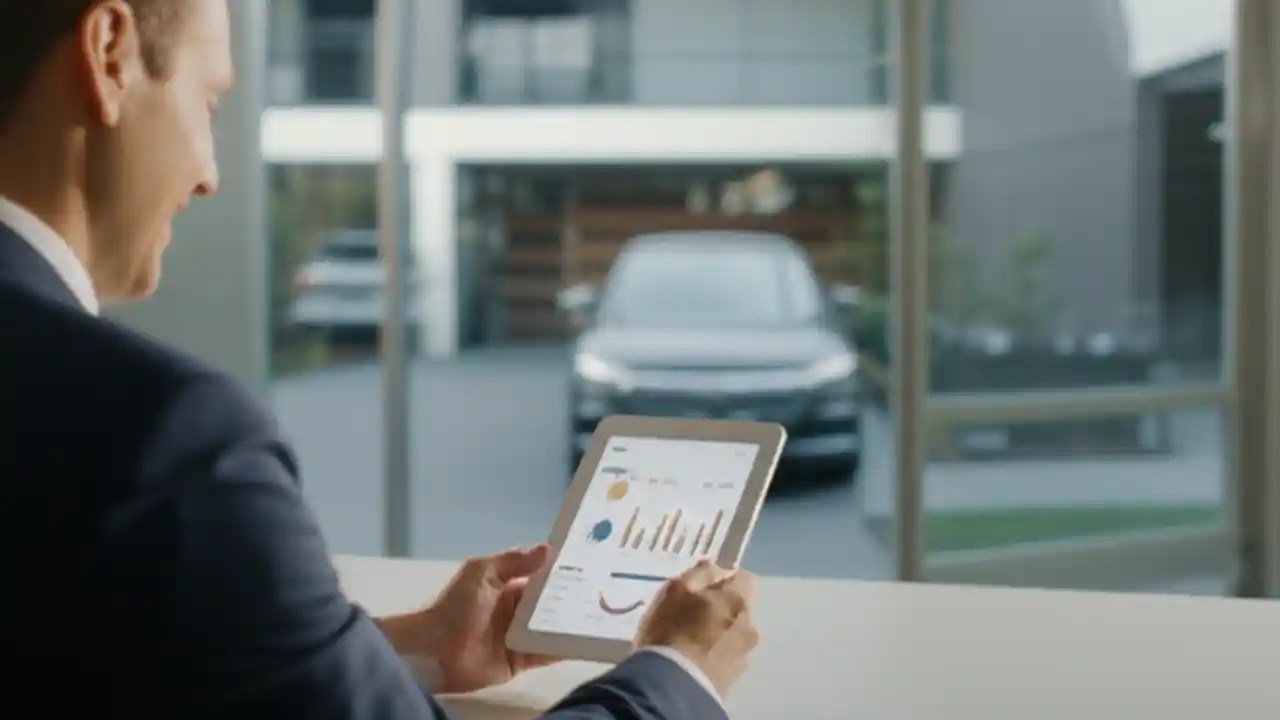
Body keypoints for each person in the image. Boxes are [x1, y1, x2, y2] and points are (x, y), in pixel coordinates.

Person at [0, 1, 760, 717]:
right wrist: (675, 671)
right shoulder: (167, 435)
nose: (210, 174)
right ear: (109, 54)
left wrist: (417, 652)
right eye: (209, 103)